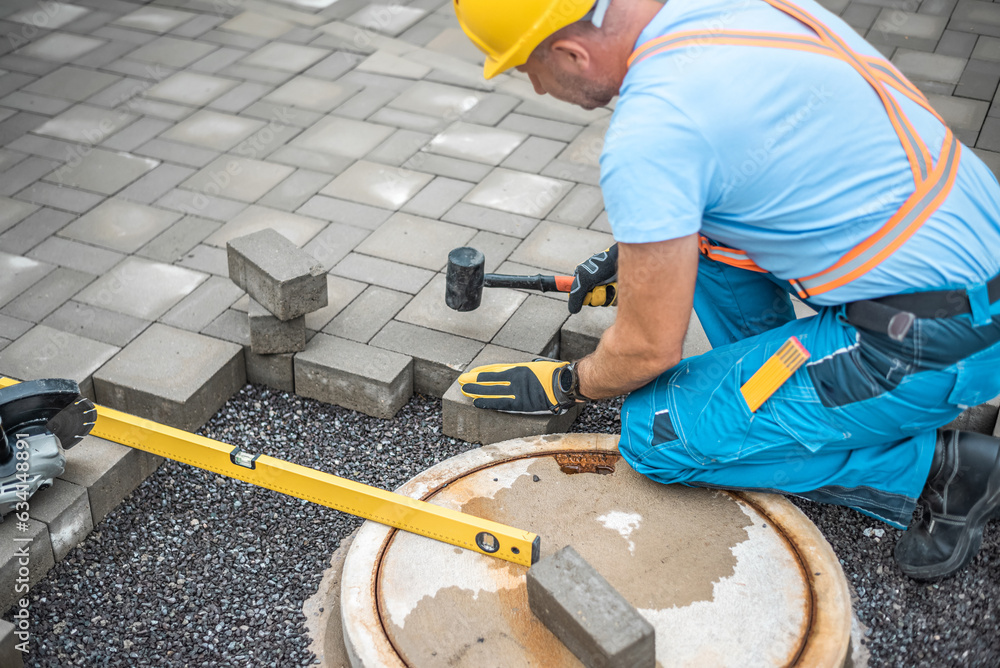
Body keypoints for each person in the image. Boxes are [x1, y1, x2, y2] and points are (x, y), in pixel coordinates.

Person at [453, 0, 1000, 581]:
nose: (536, 89)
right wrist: (637, 261)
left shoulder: (651, 134)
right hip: (965, 258)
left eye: (526, 70)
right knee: (705, 252)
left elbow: (647, 350)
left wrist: (569, 384)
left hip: (931, 340)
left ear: (571, 52)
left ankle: (946, 471)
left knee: (655, 434)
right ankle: (786, 402)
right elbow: (737, 169)